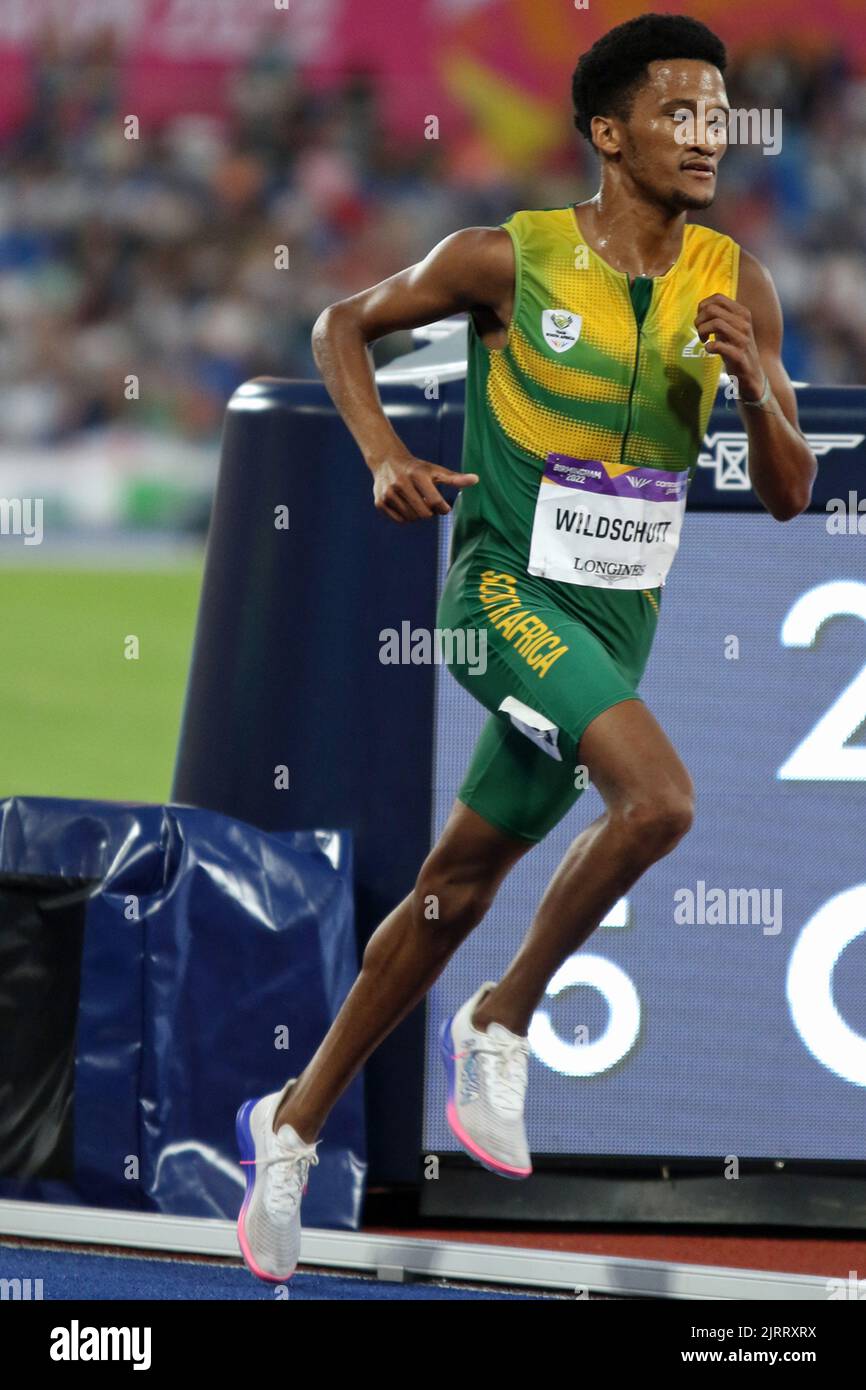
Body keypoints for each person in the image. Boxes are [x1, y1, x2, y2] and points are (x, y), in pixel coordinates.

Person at [235, 12, 817, 1282]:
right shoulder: (507, 259)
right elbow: (340, 323)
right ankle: (501, 1023)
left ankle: (287, 1126)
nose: (706, 133)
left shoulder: (736, 280)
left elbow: (785, 492)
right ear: (607, 133)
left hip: (616, 622)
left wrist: (759, 387)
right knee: (657, 801)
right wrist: (385, 454)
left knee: (454, 887)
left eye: (717, 112)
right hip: (503, 591)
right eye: (677, 111)